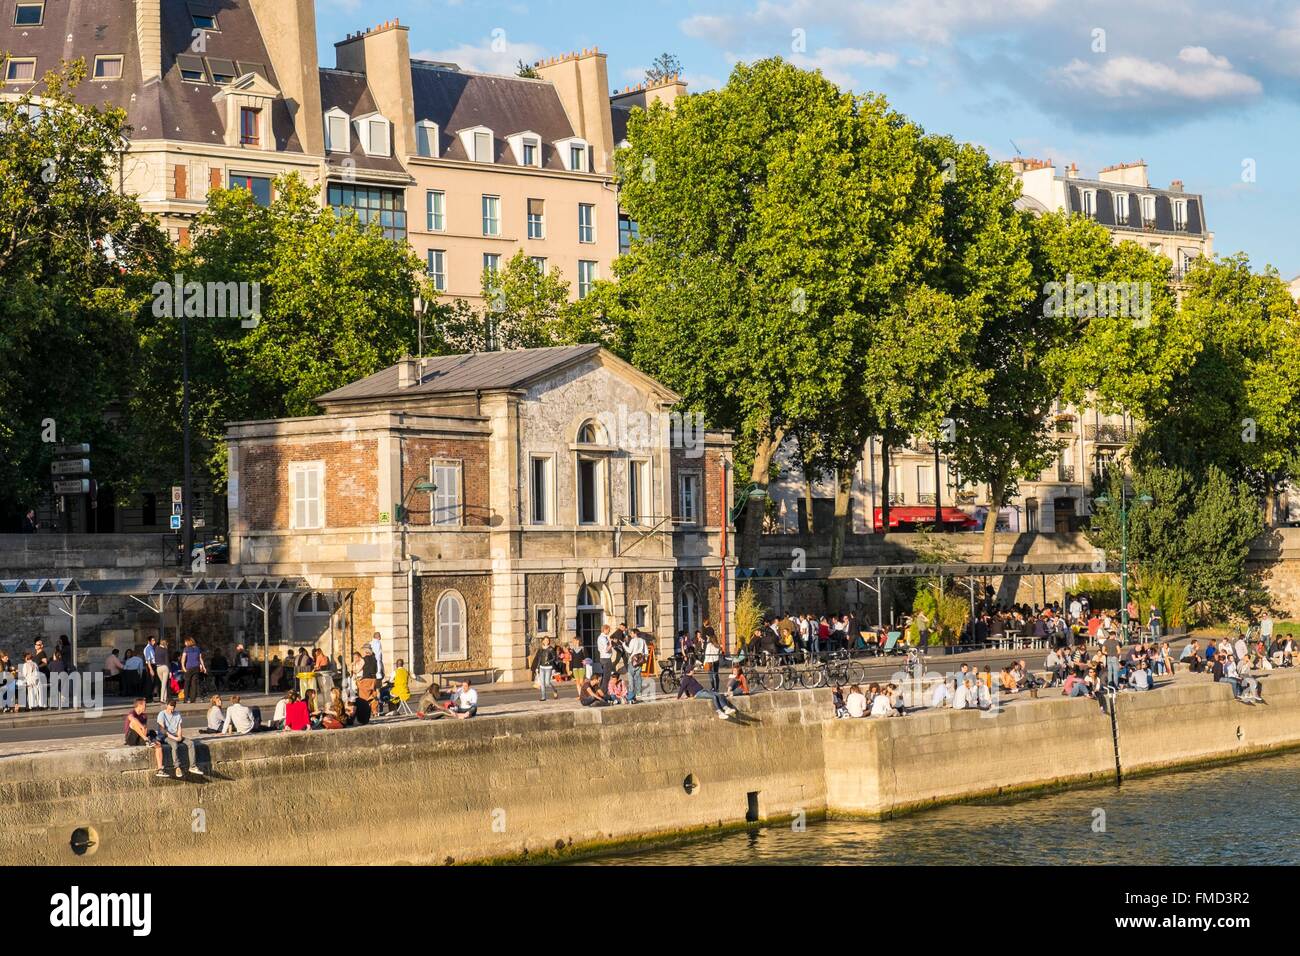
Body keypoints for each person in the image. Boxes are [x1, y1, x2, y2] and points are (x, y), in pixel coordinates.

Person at [156, 700, 203, 777]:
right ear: (166, 705)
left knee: (191, 743)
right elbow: (163, 730)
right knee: (174, 745)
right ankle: (177, 767)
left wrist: (179, 736)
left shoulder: (177, 714)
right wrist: (174, 738)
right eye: (169, 709)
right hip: (165, 736)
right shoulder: (162, 714)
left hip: (175, 735)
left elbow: (179, 727)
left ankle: (193, 766)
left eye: (172, 709)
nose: (171, 711)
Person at [530, 637, 560, 702]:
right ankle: (543, 697)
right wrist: (536, 668)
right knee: (542, 683)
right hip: (541, 667)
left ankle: (554, 690)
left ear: (549, 641)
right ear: (543, 641)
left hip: (548, 667)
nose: (546, 641)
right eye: (545, 640)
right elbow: (538, 659)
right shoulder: (540, 649)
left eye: (547, 640)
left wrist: (549, 661)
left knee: (547, 682)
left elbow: (555, 658)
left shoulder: (551, 649)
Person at [625, 629, 648, 703]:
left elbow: (629, 651)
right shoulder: (642, 640)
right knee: (638, 677)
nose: (630, 635)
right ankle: (638, 693)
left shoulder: (633, 641)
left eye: (631, 633)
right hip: (640, 661)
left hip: (632, 661)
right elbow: (646, 652)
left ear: (635, 633)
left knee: (631, 677)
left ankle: (631, 694)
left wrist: (624, 645)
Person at [179, 637, 205, 703]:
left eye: (185, 642)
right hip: (196, 667)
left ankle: (186, 699)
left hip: (189, 667)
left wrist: (183, 667)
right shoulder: (197, 648)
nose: (184, 643)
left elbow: (183, 659)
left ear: (188, 642)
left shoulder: (186, 649)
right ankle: (193, 699)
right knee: (194, 684)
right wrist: (204, 667)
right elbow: (200, 658)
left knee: (187, 684)